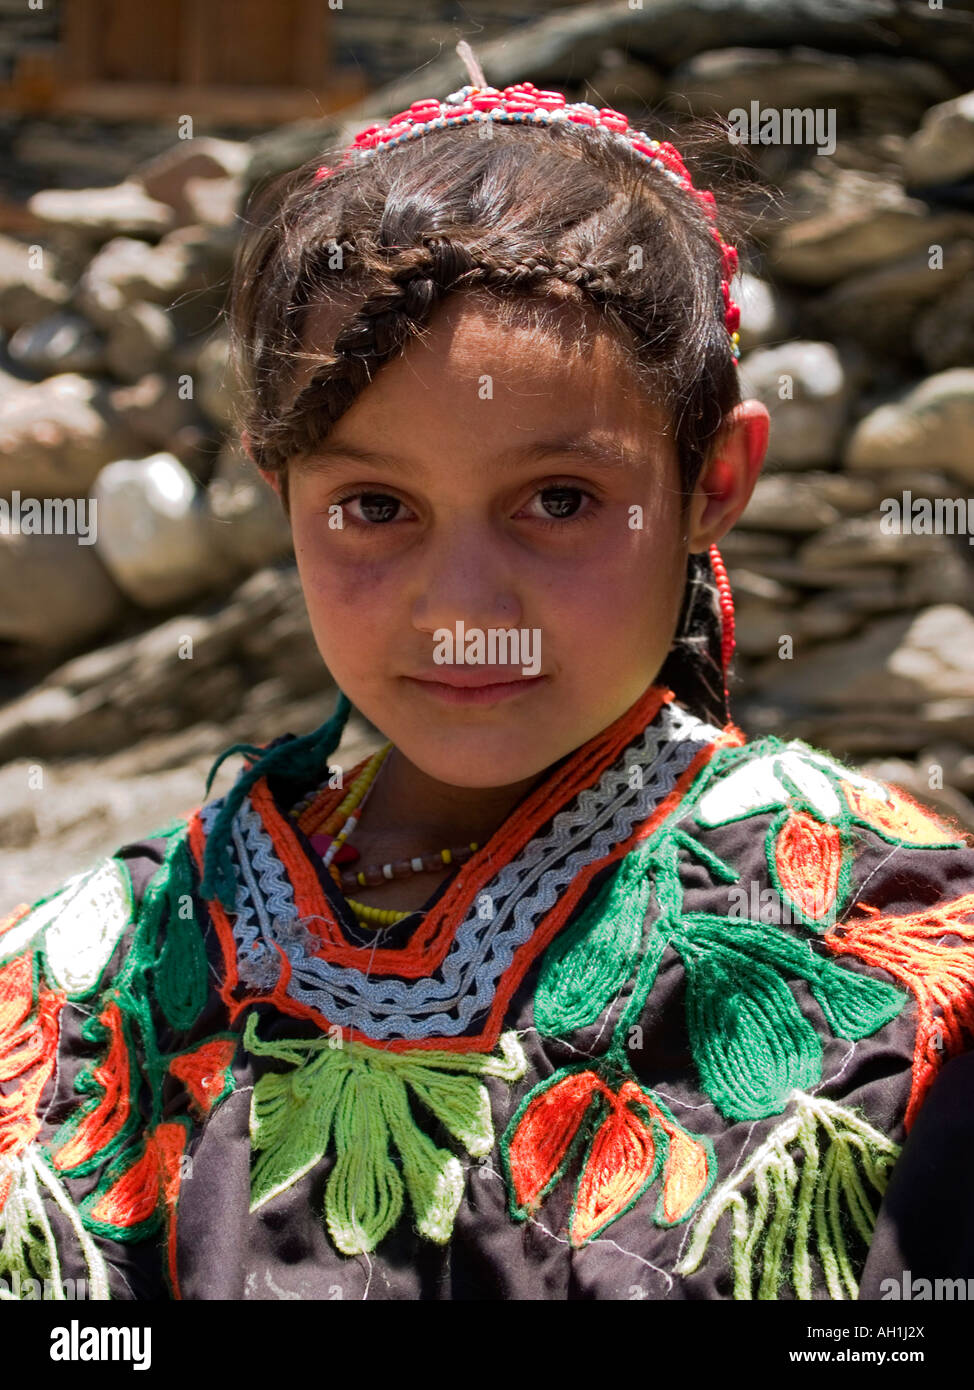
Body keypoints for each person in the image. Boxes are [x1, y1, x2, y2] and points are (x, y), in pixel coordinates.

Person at [2, 46, 973, 1303]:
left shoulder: (902, 962)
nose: (462, 609)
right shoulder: (97, 978)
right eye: (372, 505)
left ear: (711, 483)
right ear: (279, 498)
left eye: (558, 499)